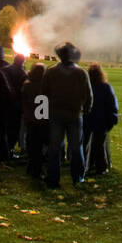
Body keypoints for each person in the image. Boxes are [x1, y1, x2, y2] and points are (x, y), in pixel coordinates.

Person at [42, 42, 92, 188]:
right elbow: (88, 95)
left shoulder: (51, 72)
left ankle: (53, 178)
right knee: (76, 148)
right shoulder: (81, 72)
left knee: (54, 148)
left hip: (56, 114)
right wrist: (86, 109)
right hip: (74, 115)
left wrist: (43, 115)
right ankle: (78, 177)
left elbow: (43, 94)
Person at [82, 63, 119, 175]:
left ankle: (84, 165)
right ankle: (100, 167)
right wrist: (113, 118)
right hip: (101, 120)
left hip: (87, 119)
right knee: (99, 145)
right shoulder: (106, 87)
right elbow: (112, 104)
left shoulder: (84, 86)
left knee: (84, 144)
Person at [21, 61, 46, 178]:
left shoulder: (27, 85)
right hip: (42, 118)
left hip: (31, 118)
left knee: (32, 144)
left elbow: (24, 100)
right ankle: (38, 168)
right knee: (40, 145)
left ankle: (31, 166)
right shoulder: (46, 86)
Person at [4, 52, 28, 156]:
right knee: (14, 128)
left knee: (5, 126)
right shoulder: (23, 74)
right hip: (16, 104)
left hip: (5, 102)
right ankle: (10, 149)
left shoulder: (5, 69)